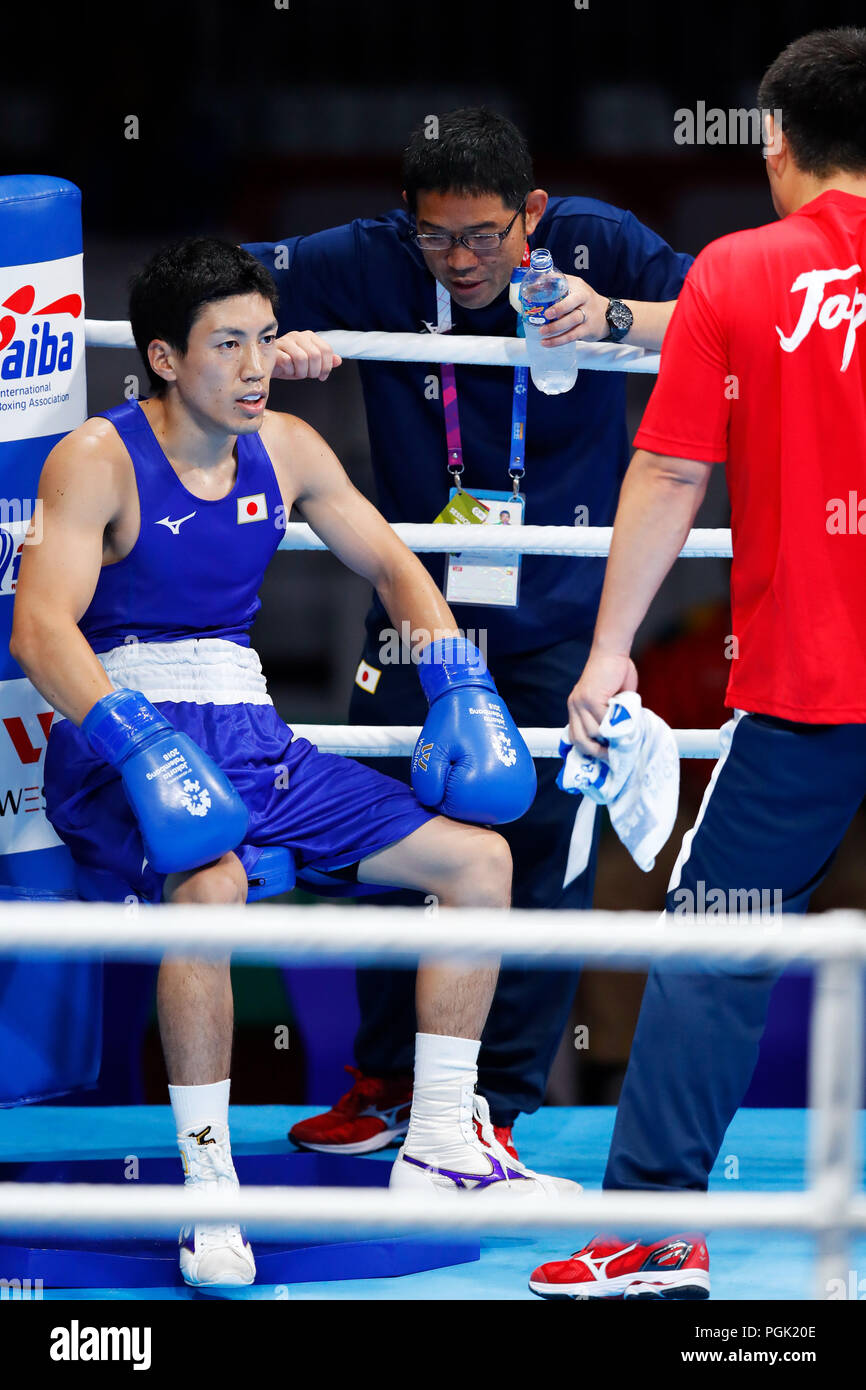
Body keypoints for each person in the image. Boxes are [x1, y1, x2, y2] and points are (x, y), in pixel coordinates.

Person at [9, 237, 580, 1291]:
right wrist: (138, 742)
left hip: (255, 736)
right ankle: (211, 1187)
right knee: (211, 885)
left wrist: (459, 678)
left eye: (266, 338)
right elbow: (42, 629)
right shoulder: (97, 455)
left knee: (478, 862)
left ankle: (442, 1143)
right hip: (125, 735)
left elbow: (394, 560)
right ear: (167, 358)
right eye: (228, 343)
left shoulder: (290, 449)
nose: (256, 363)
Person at [244, 106, 693, 1157]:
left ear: (530, 214)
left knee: (540, 863)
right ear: (406, 225)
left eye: (484, 235)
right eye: (436, 236)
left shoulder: (597, 241)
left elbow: (729, 311)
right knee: (382, 842)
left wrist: (614, 315)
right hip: (416, 620)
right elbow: (204, 289)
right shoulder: (365, 260)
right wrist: (274, 333)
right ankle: (386, 1081)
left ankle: (493, 1106)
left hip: (557, 623)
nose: (459, 260)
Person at [529, 25, 866, 1300]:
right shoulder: (726, 280)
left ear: (773, 143)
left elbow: (671, 469)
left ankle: (658, 1233)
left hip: (806, 690)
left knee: (715, 946)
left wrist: (608, 652)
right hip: (801, 686)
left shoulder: (738, 274)